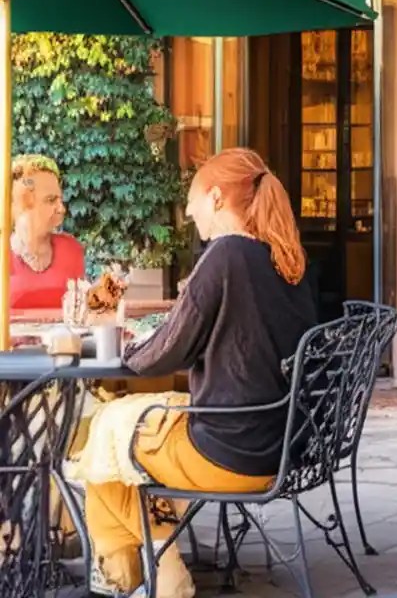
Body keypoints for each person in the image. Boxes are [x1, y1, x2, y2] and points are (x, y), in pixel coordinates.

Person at [83, 148, 317, 598]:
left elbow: (166, 351)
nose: (192, 219)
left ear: (215, 198)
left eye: (192, 208)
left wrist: (125, 345)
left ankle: (136, 573)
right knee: (124, 435)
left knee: (104, 433)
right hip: (279, 446)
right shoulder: (286, 259)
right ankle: (145, 570)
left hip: (228, 451)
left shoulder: (226, 254)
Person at [8, 154, 85, 310]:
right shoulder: (4, 255)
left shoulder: (71, 250)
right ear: (23, 205)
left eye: (60, 200)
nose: (62, 209)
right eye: (51, 200)